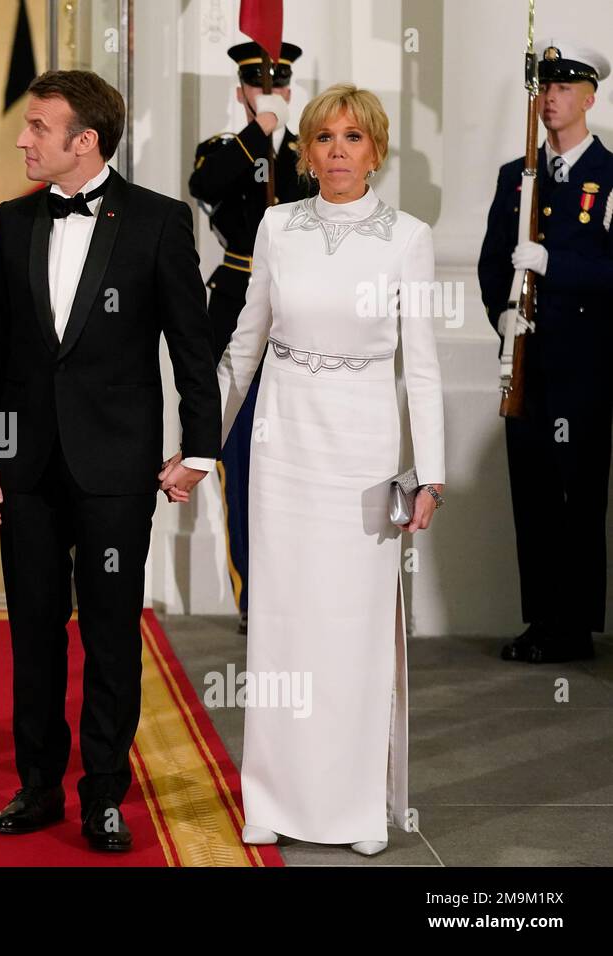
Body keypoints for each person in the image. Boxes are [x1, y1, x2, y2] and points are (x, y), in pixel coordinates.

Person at [0, 70, 221, 852]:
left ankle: (104, 793)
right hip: (28, 466)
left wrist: (202, 449)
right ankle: (37, 784)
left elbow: (191, 347)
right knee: (33, 632)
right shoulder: (10, 222)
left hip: (118, 468)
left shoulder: (158, 221)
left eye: (39, 127)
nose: (22, 139)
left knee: (110, 632)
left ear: (86, 140)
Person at [200, 84, 446, 855]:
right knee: (280, 626)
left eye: (353, 138)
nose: (338, 153)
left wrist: (429, 473)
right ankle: (271, 798)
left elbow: (425, 368)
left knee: (354, 629)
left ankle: (352, 811)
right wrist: (201, 441)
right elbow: (245, 344)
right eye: (324, 139)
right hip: (284, 445)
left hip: (364, 452)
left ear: (376, 149)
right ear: (305, 152)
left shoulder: (410, 236)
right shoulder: (277, 226)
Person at [478, 41, 613, 665]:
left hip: (583, 364)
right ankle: (541, 619)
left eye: (565, 88)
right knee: (530, 491)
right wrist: (501, 313)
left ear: (589, 97)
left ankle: (575, 625)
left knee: (577, 495)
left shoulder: (608, 177)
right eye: (546, 88)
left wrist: (556, 263)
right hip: (525, 361)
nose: (551, 97)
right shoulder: (517, 175)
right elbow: (489, 260)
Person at [189, 41, 307, 634]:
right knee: (238, 457)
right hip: (236, 307)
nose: (272, 95)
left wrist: (281, 140)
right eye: (259, 87)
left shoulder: (313, 155)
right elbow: (207, 185)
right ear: (241, 93)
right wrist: (258, 132)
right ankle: (253, 593)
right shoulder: (224, 151)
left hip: (299, 314)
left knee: (297, 460)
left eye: (279, 87)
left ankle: (297, 588)